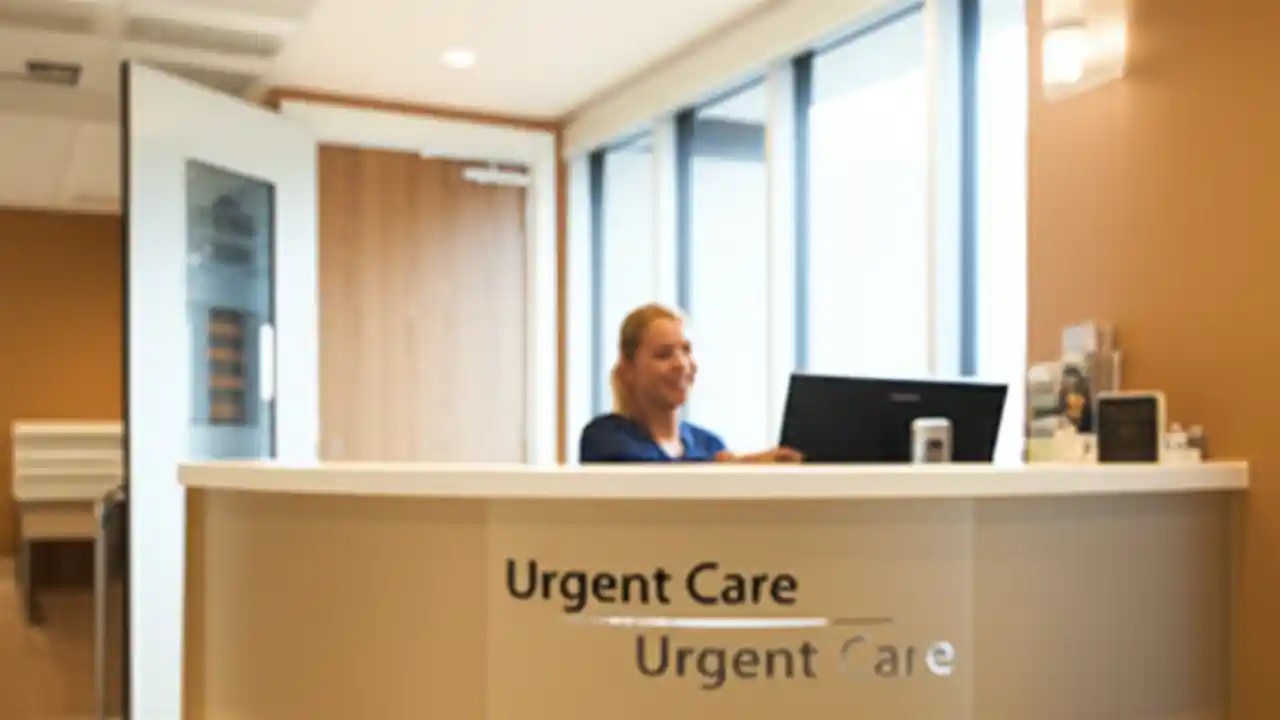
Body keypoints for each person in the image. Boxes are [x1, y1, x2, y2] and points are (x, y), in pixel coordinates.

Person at [579, 303, 803, 463]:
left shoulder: (709, 444)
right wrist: (728, 467)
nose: (682, 364)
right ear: (629, 370)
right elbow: (654, 481)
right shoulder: (606, 437)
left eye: (686, 350)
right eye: (664, 354)